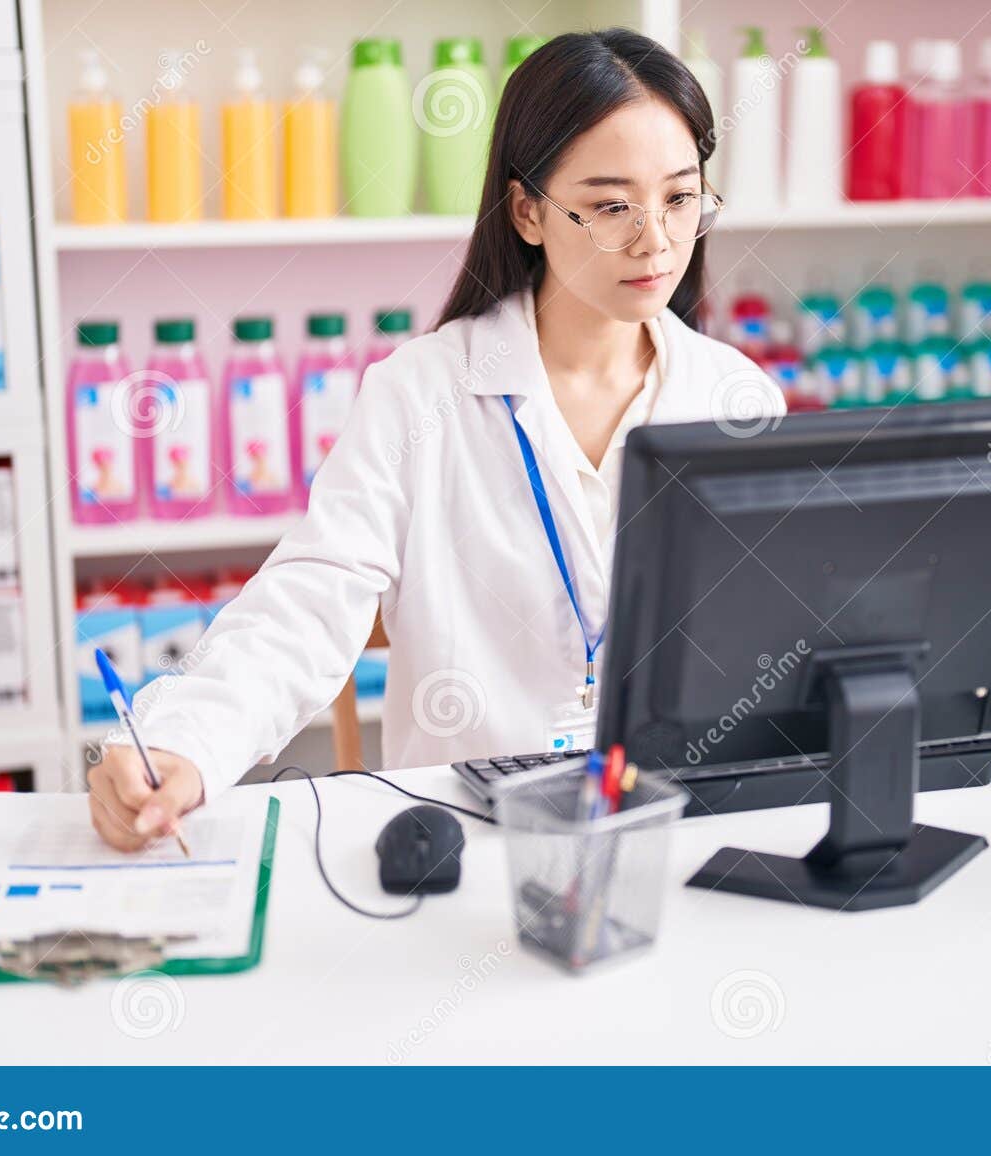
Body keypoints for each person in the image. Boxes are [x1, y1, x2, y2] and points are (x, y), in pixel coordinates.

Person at [88, 28, 785, 850]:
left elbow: (780, 633)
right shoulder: (420, 392)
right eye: (610, 207)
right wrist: (185, 745)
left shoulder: (737, 398)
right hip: (462, 844)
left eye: (680, 198)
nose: (656, 239)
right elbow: (308, 601)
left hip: (684, 829)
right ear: (527, 211)